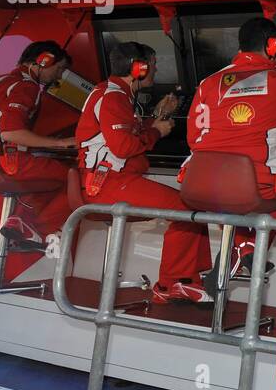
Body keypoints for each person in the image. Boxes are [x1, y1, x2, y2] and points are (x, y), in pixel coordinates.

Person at [76, 41, 212, 303]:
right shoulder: (114, 97)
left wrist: (155, 117)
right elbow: (124, 145)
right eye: (153, 64)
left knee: (190, 207)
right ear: (138, 68)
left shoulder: (117, 94)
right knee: (185, 209)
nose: (156, 70)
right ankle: (173, 283)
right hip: (108, 184)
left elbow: (125, 132)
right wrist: (157, 131)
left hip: (113, 180)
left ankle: (186, 277)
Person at [185, 17, 276, 282]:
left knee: (230, 203)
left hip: (200, 186)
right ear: (273, 46)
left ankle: (240, 247)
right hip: (253, 188)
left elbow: (193, 139)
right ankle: (249, 246)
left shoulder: (207, 83)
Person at [0, 40, 77, 251]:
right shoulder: (26, 86)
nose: (59, 76)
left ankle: (20, 222)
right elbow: (11, 132)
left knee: (43, 175)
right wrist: (61, 143)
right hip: (7, 163)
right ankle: (41, 233)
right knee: (75, 178)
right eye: (59, 69)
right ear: (44, 61)